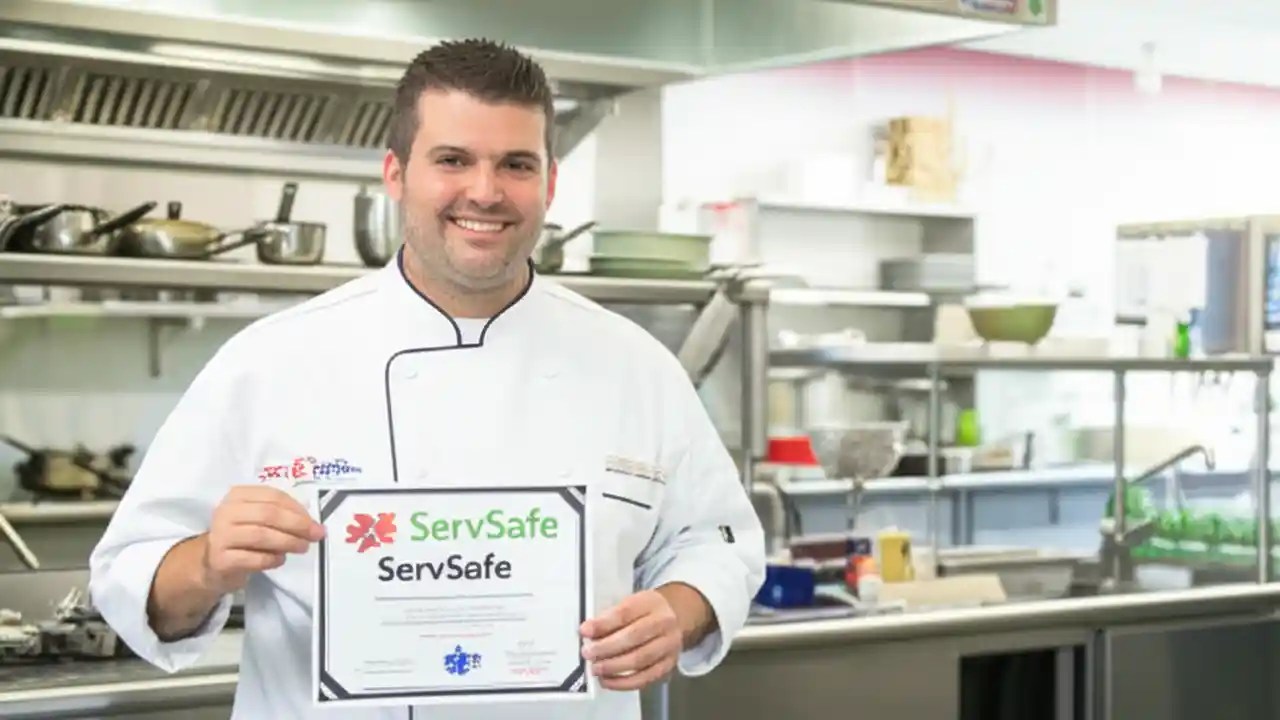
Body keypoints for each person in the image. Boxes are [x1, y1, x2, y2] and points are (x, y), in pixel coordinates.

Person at [89, 37, 765, 719]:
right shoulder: (268, 363)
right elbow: (130, 581)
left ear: (550, 183)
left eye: (516, 165)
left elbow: (718, 544)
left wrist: (681, 612)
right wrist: (208, 562)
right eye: (452, 160)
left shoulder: (634, 365)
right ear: (395, 174)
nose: (485, 191)